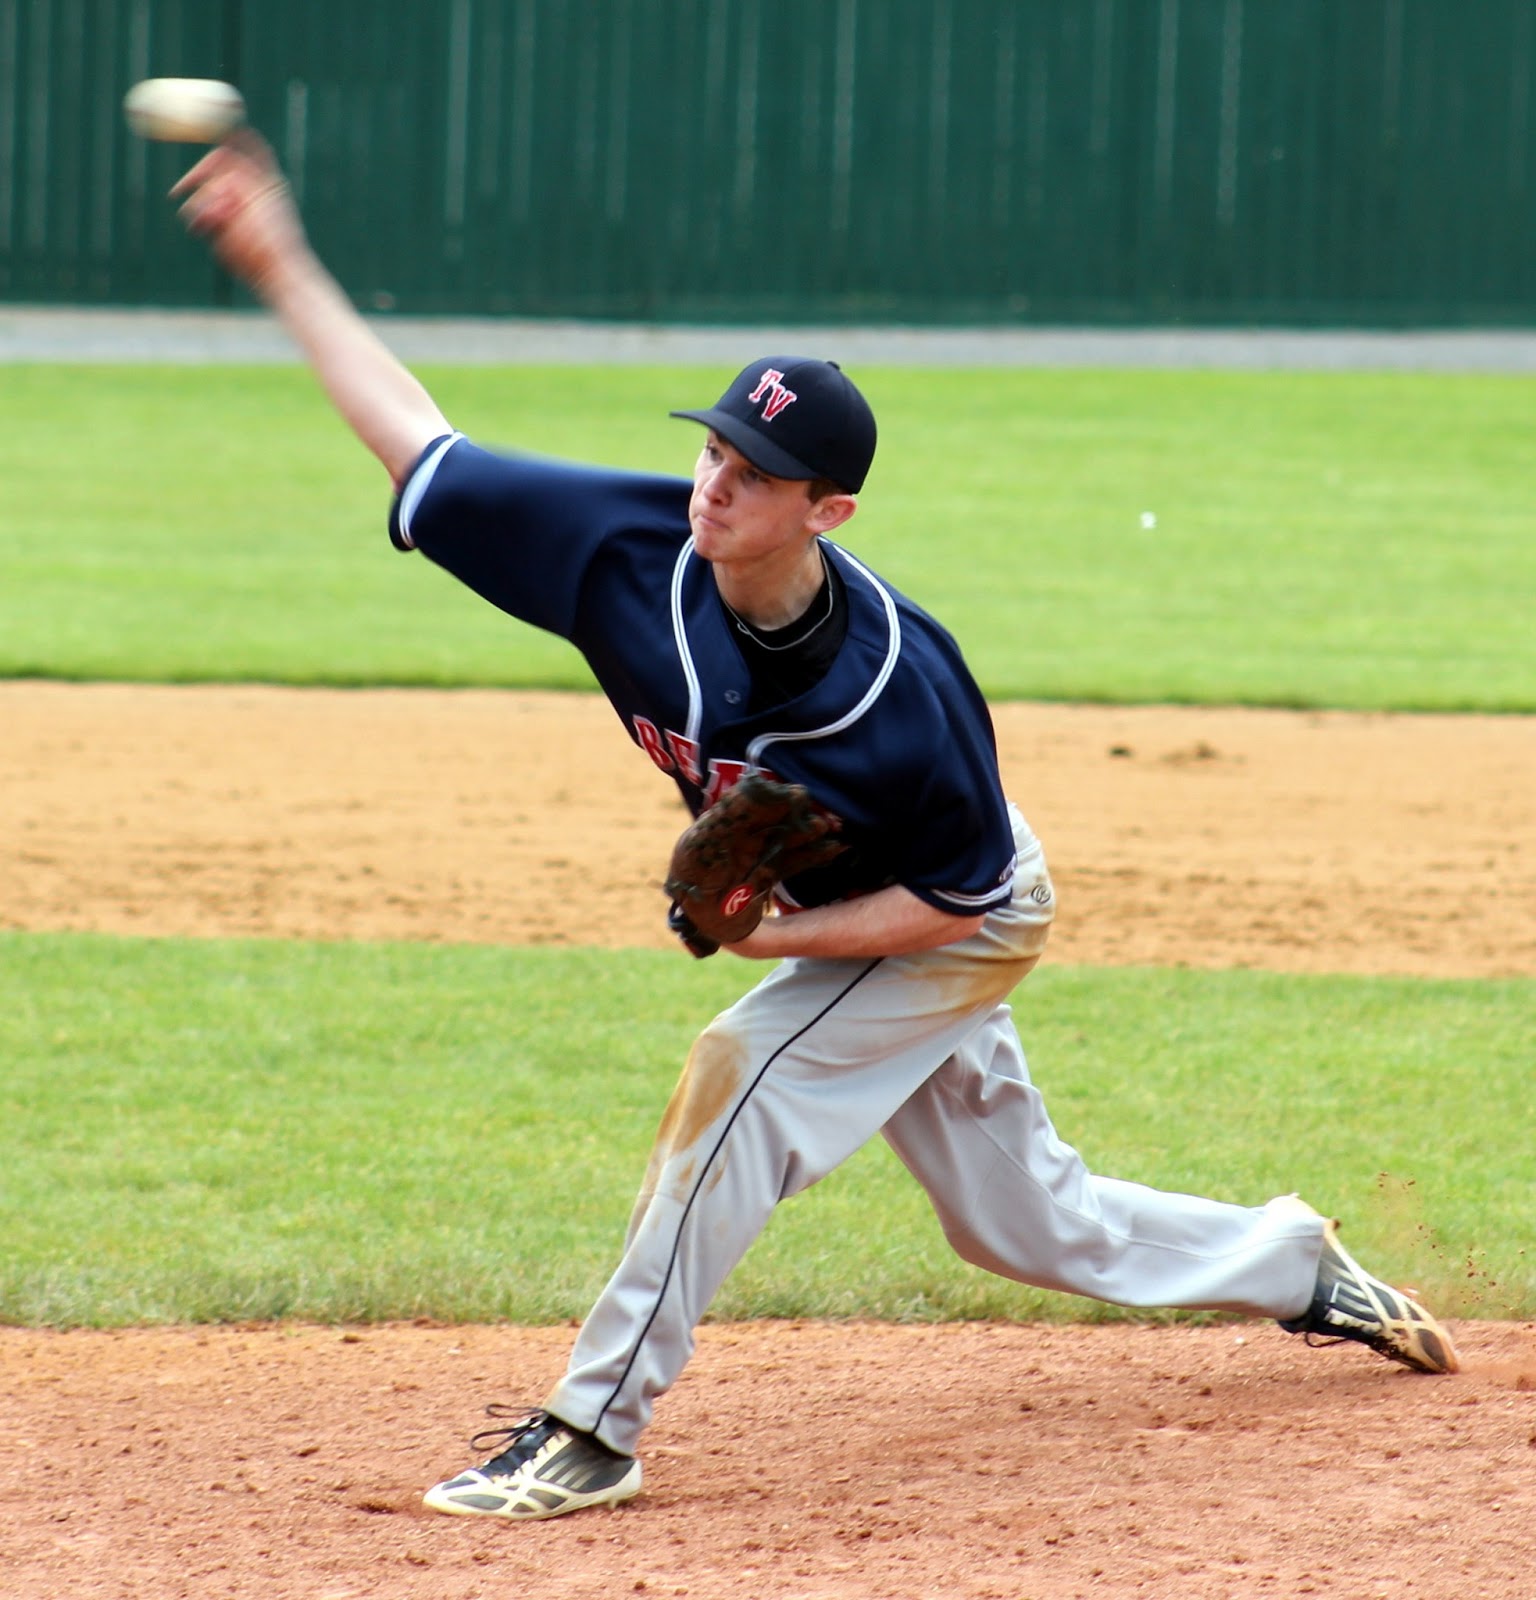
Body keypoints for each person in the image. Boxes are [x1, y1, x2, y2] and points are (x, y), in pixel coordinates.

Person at [172, 134, 1459, 1523]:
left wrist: (778, 937)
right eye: (716, 447)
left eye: (756, 470)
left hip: (956, 907)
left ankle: (590, 1427)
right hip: (876, 898)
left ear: (827, 510)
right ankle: (1294, 1262)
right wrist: (278, 259)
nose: (714, 485)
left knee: (741, 1071)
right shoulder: (626, 554)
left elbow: (966, 907)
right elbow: (415, 440)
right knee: (1022, 1225)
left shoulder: (907, 691)